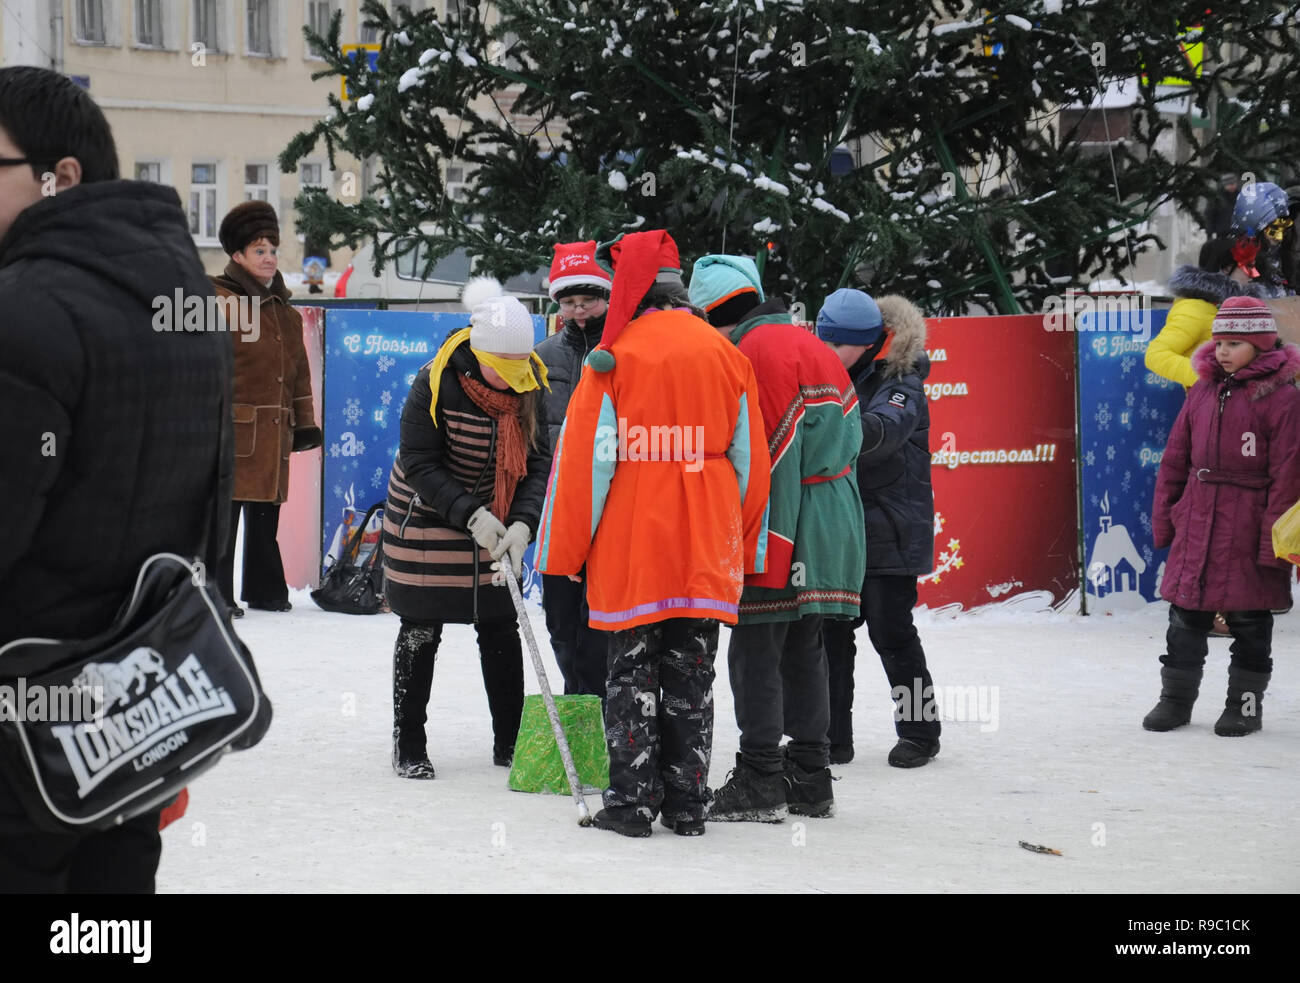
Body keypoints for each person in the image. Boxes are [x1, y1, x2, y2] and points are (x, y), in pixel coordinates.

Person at [0, 66, 231, 891]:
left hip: (24, 715)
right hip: (136, 708)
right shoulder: (186, 301)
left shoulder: (25, 308)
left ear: (58, 176)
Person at [536, 230, 771, 837]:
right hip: (705, 542)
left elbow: (590, 465)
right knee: (693, 675)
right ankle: (690, 806)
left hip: (634, 542)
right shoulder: (727, 355)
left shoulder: (612, 358)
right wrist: (741, 544)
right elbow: (750, 463)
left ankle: (633, 804)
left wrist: (565, 553)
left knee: (630, 675)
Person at [687, 255, 864, 822]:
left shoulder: (755, 353)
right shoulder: (805, 341)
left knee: (756, 649)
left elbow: (772, 460)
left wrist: (760, 549)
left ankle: (761, 775)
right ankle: (810, 778)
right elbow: (851, 436)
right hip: (830, 516)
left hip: (786, 522)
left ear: (713, 312)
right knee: (803, 647)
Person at [382, 279, 552, 777]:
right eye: (503, 371)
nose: (512, 382)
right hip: (428, 515)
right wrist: (471, 515)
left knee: (500, 623)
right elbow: (419, 461)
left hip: (499, 518)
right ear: (478, 356)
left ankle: (511, 741)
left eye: (518, 371)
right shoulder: (434, 382)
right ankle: (408, 742)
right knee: (421, 628)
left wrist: (522, 524)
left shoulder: (531, 386)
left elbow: (537, 463)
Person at [1145, 296, 1300, 735]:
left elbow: (1288, 476)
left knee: (1251, 624)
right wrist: (1166, 518)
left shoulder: (1284, 399)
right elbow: (1175, 458)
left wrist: (1274, 545)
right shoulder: (1201, 391)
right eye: (1218, 343)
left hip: (1250, 526)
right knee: (1184, 619)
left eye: (1234, 343)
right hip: (1197, 520)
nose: (1223, 351)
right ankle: (1174, 702)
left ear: (1261, 345)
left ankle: (1245, 707)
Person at [817, 289, 944, 768]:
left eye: (839, 344)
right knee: (829, 635)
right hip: (839, 532)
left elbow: (880, 433)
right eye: (823, 340)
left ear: (869, 342)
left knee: (893, 635)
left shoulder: (901, 380)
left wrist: (818, 424)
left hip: (889, 530)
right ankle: (832, 738)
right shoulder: (828, 372)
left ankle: (920, 733)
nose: (829, 351)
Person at [212, 201, 322, 616]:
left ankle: (264, 588)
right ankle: (216, 594)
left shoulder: (285, 313)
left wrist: (304, 424)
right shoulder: (217, 301)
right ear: (236, 256)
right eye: (259, 250)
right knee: (225, 518)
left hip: (274, 429)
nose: (270, 257)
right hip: (230, 430)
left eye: (273, 249)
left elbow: (298, 376)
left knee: (265, 514)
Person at [533, 241, 613, 697]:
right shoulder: (542, 356)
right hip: (556, 508)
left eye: (589, 301)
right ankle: (575, 697)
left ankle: (602, 709)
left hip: (611, 511)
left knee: (600, 620)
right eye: (569, 302)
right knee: (561, 620)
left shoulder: (625, 352)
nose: (579, 312)